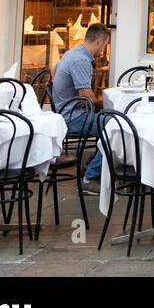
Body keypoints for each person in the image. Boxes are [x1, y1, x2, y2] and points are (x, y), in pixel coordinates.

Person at [51, 23, 110, 189]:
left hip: (65, 112)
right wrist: (102, 103)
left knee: (106, 121)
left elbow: (53, 72)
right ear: (99, 41)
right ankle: (91, 176)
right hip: (73, 117)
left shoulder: (72, 53)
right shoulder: (81, 60)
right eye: (105, 44)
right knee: (115, 126)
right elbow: (86, 97)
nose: (103, 48)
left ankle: (92, 164)